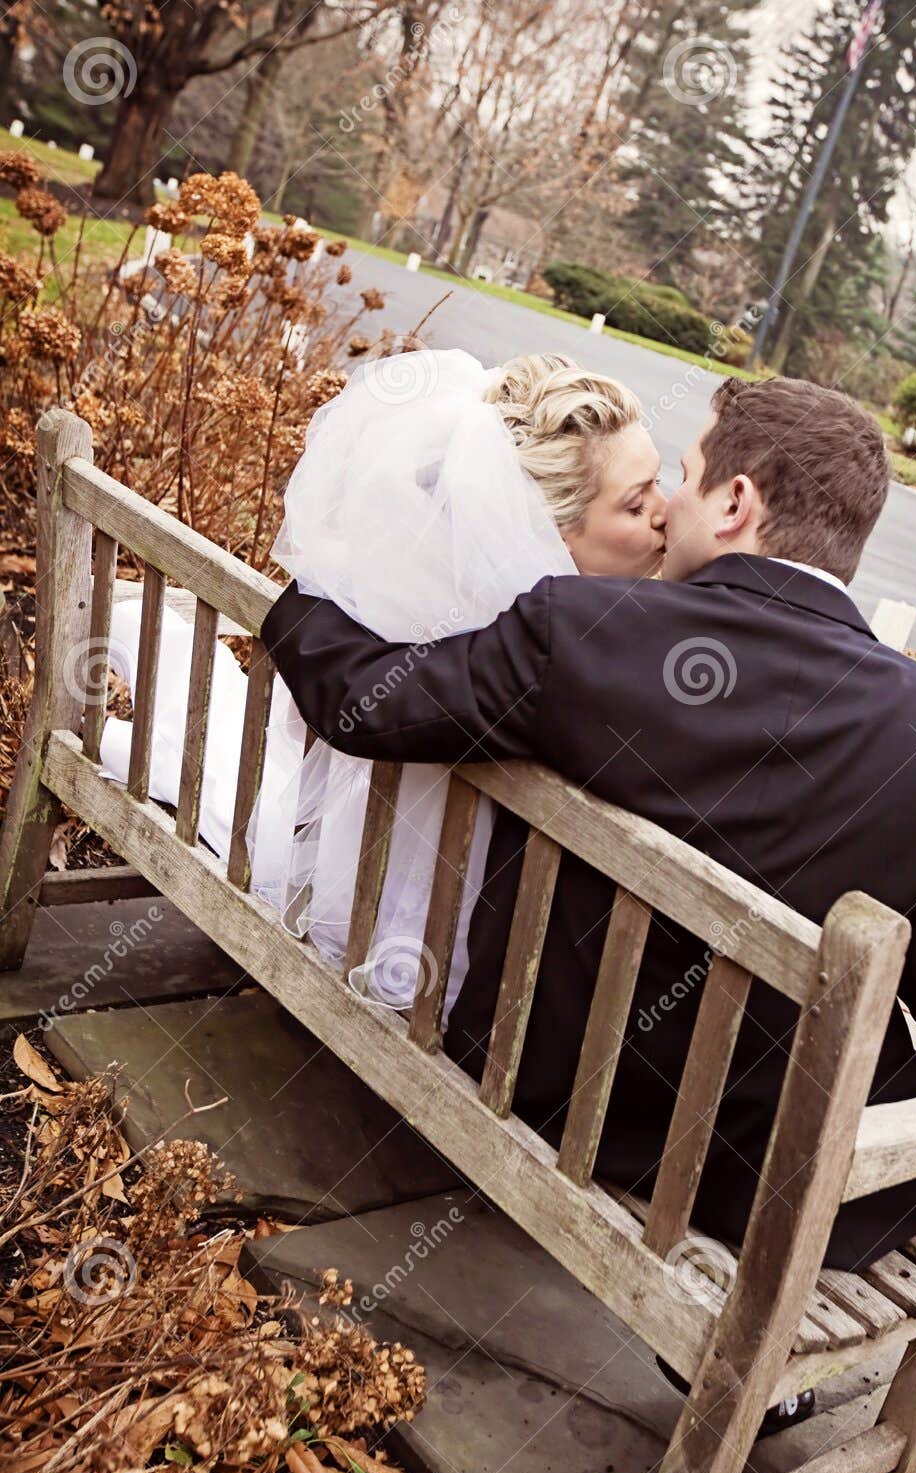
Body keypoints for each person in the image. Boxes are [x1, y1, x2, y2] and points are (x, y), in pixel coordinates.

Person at [260, 372, 916, 1291]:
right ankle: (762, 1354)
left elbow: (361, 705)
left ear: (734, 503)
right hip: (760, 1157)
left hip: (545, 1082)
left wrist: (319, 576)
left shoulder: (585, 635)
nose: (667, 502)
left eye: (683, 474)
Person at [98, 350, 666, 1017]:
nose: (668, 510)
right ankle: (154, 656)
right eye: (637, 502)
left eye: (660, 483)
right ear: (549, 533)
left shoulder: (474, 627)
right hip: (417, 943)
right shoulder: (530, 657)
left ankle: (152, 653)